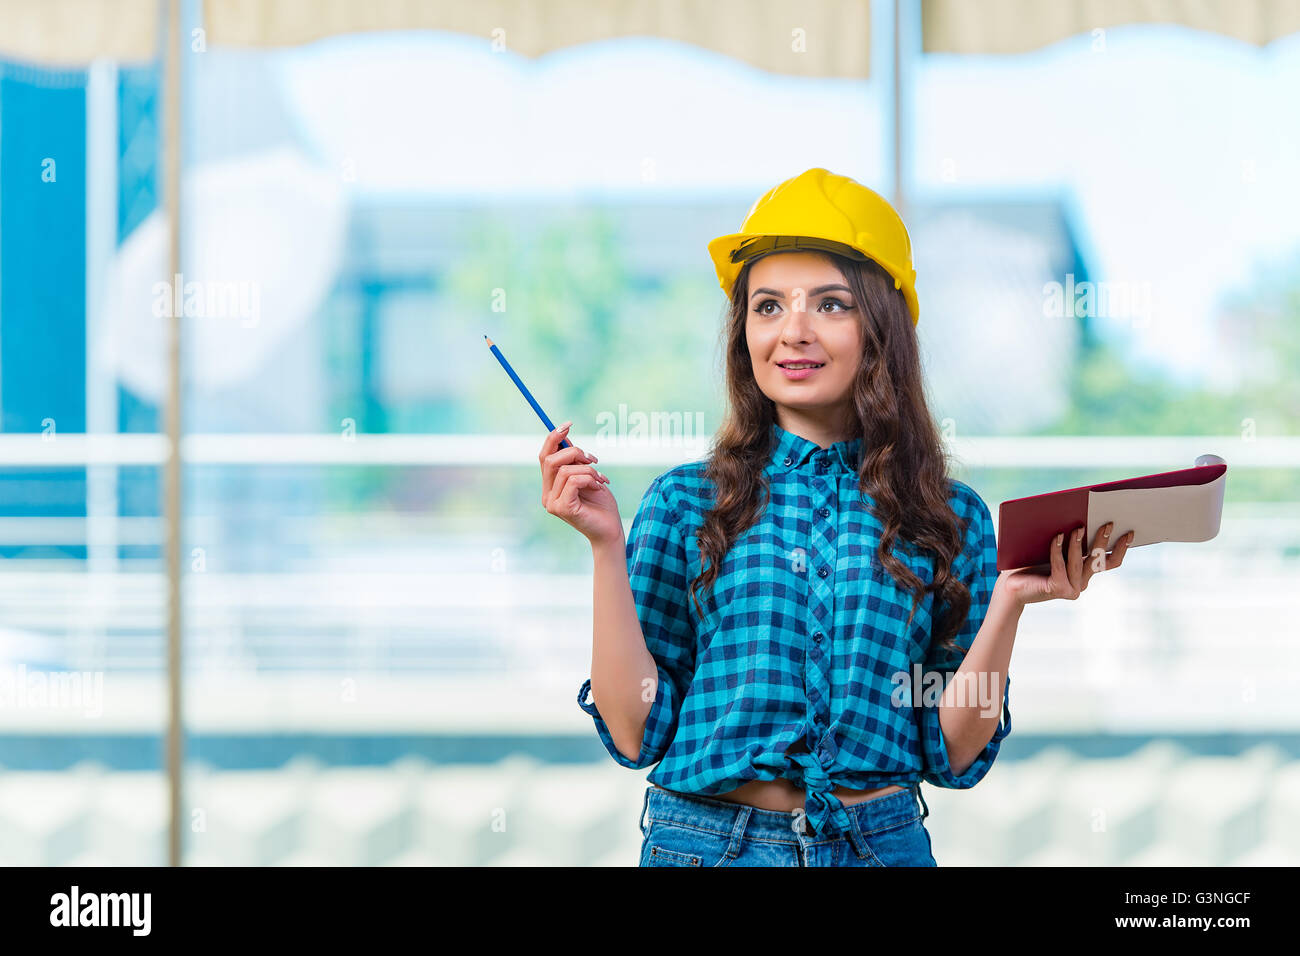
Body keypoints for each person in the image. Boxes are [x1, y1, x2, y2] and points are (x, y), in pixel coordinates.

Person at [539, 167, 1134, 866]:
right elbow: (637, 731)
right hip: (705, 847)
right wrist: (606, 547)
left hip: (880, 846)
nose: (792, 331)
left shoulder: (949, 518)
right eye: (767, 306)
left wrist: (1010, 602)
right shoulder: (683, 505)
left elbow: (953, 752)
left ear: (881, 327)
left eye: (829, 304)